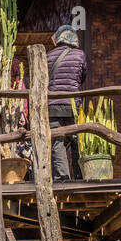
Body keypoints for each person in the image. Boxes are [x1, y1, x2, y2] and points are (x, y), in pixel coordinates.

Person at [47, 25, 87, 182]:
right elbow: (82, 76)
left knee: (57, 141)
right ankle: (79, 176)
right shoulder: (80, 55)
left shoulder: (48, 55)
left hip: (53, 106)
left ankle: (62, 178)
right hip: (72, 105)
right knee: (76, 140)